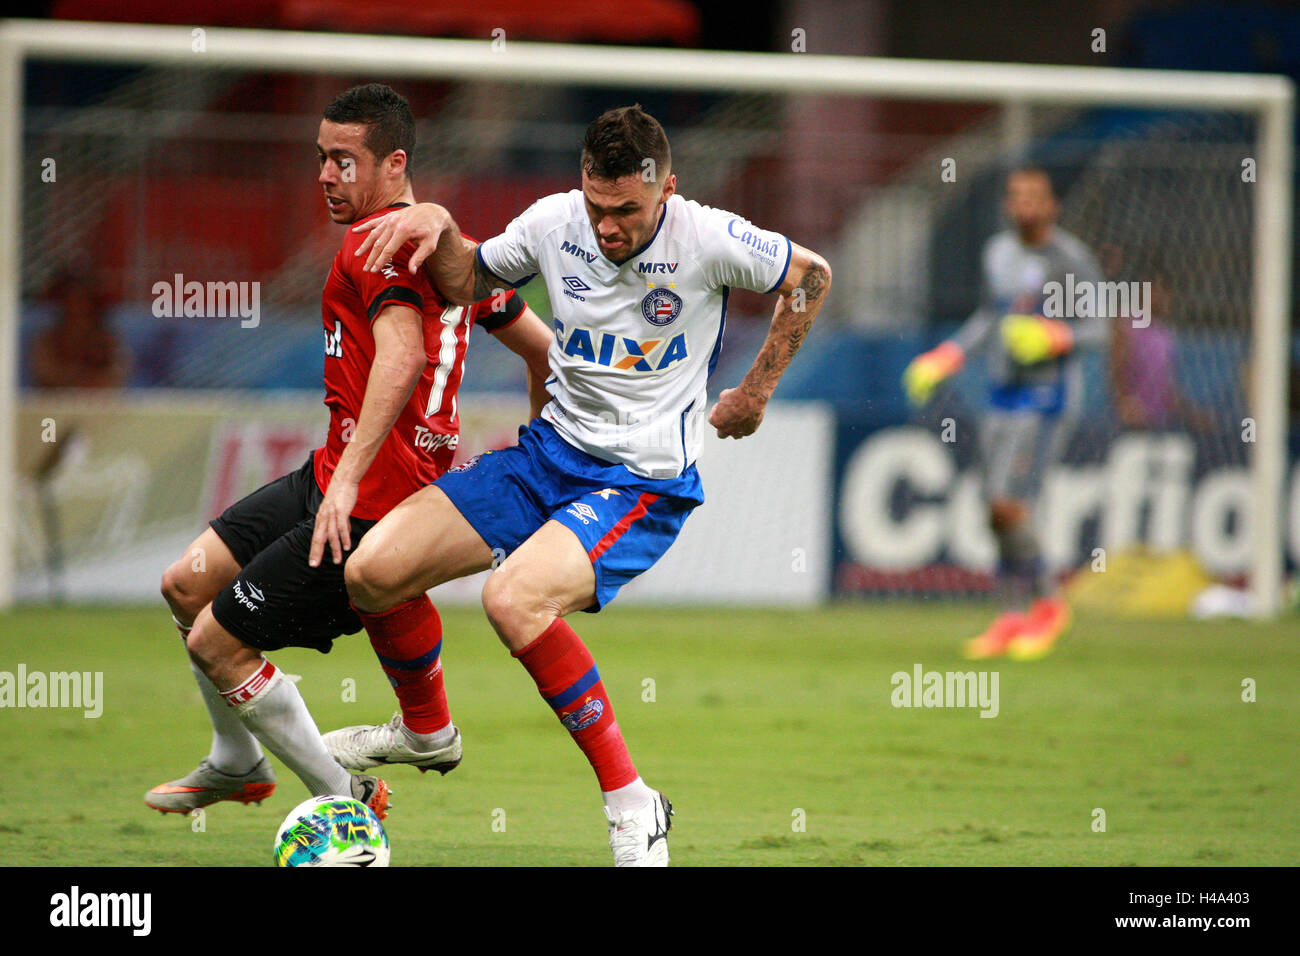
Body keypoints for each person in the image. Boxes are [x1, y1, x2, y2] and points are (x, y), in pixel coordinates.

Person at [321, 105, 832, 866]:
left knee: (512, 598)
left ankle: (633, 803)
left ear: (666, 190)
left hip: (640, 482)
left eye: (626, 211)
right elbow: (464, 281)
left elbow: (811, 275)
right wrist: (437, 221)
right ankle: (425, 732)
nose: (607, 227)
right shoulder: (554, 222)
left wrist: (755, 392)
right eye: (597, 206)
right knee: (370, 572)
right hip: (546, 457)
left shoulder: (709, 236)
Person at [146, 84, 552, 820]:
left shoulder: (377, 243)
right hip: (334, 477)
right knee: (184, 584)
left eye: (343, 161)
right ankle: (238, 760)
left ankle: (347, 800)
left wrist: (347, 487)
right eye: (321, 159)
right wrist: (536, 432)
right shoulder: (454, 258)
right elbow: (543, 351)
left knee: (217, 642)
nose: (326, 176)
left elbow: (399, 360)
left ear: (394, 164)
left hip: (365, 502)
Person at [902, 167, 1109, 661]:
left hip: (1048, 398)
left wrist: (1057, 336)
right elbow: (992, 317)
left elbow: (1099, 328)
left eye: (1034, 196)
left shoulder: (1070, 259)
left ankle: (1051, 606)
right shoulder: (999, 253)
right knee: (994, 511)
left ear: (1052, 205)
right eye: (1015, 196)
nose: (1023, 205)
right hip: (1001, 393)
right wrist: (949, 354)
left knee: (1010, 506)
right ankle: (1013, 616)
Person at [31, 272, 128, 389]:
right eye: (70, 303)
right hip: (57, 403)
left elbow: (119, 373)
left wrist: (95, 380)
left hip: (98, 403)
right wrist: (74, 377)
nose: (77, 309)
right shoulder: (48, 340)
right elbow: (44, 373)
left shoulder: (107, 341)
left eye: (83, 303)